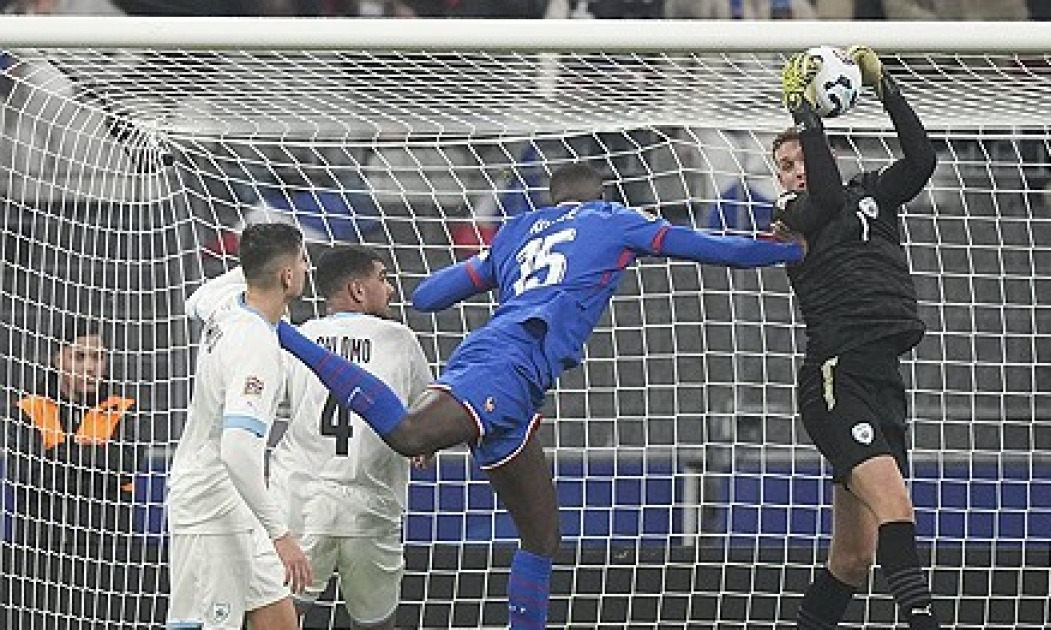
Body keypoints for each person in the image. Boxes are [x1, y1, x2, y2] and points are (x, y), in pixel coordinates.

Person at [272, 162, 805, 629]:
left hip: (514, 384)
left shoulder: (517, 232)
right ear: (600, 197)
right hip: (502, 370)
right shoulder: (617, 221)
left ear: (551, 199)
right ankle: (284, 331)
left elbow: (427, 296)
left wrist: (501, 268)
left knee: (542, 536)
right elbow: (712, 249)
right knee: (409, 433)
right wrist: (785, 249)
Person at [773, 47, 939, 628]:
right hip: (835, 377)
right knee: (895, 502)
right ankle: (921, 618)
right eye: (783, 165)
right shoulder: (794, 216)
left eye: (798, 160)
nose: (792, 172)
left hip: (883, 375)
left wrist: (885, 86)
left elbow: (920, 162)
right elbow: (820, 197)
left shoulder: (871, 193)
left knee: (852, 557)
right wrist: (808, 119)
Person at [184, 245, 433, 630]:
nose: (391, 291)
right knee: (376, 623)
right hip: (373, 507)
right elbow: (422, 418)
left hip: (300, 500)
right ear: (357, 290)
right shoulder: (399, 340)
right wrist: (424, 446)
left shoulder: (299, 336)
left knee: (276, 615)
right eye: (382, 279)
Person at [166, 222, 313, 630]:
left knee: (281, 619)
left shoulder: (224, 302)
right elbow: (237, 452)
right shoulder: (256, 347)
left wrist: (254, 256)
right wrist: (281, 536)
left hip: (239, 503)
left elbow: (194, 301)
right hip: (211, 504)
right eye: (302, 260)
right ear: (286, 276)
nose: (306, 268)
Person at [3, 319, 142, 630]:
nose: (91, 367)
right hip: (40, 551)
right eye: (80, 357)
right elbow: (27, 473)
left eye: (98, 357)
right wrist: (94, 462)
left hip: (108, 552)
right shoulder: (29, 407)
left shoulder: (124, 408)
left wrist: (60, 453)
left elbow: (125, 464)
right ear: (58, 360)